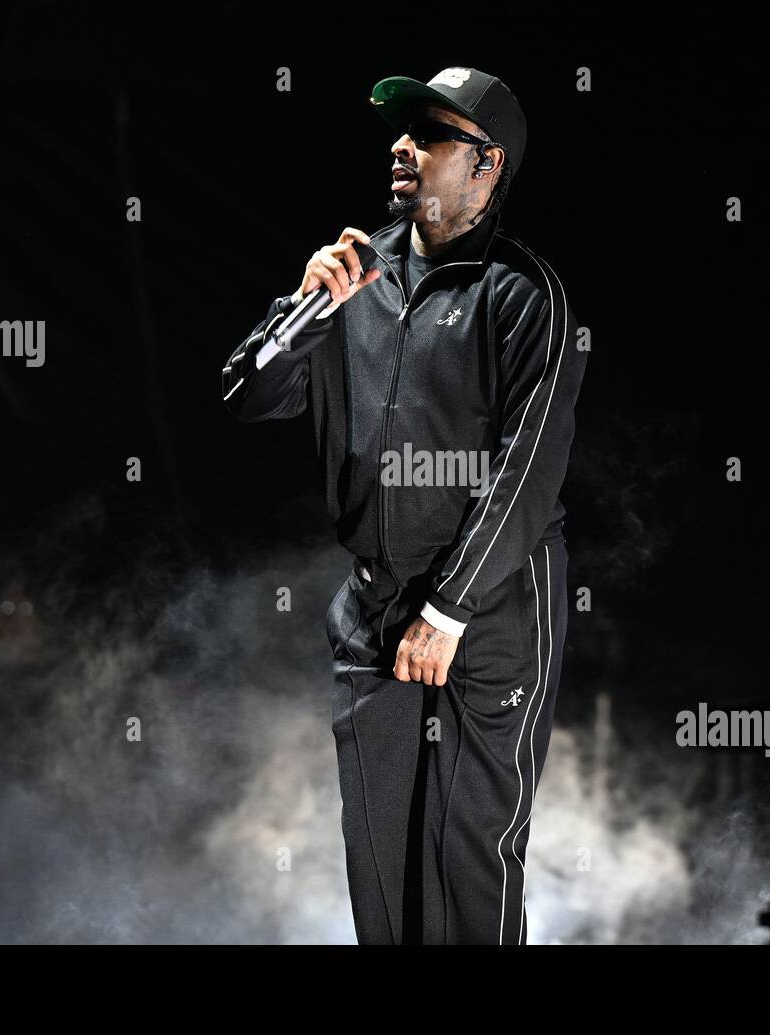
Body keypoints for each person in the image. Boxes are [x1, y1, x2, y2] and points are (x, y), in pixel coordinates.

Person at [222, 67, 587, 944]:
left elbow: (526, 470)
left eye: (429, 133)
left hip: (490, 611)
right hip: (374, 607)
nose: (401, 146)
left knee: (470, 863)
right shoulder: (355, 272)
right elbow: (245, 393)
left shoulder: (523, 293)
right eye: (400, 130)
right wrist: (307, 312)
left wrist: (451, 609)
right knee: (383, 874)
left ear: (486, 163)